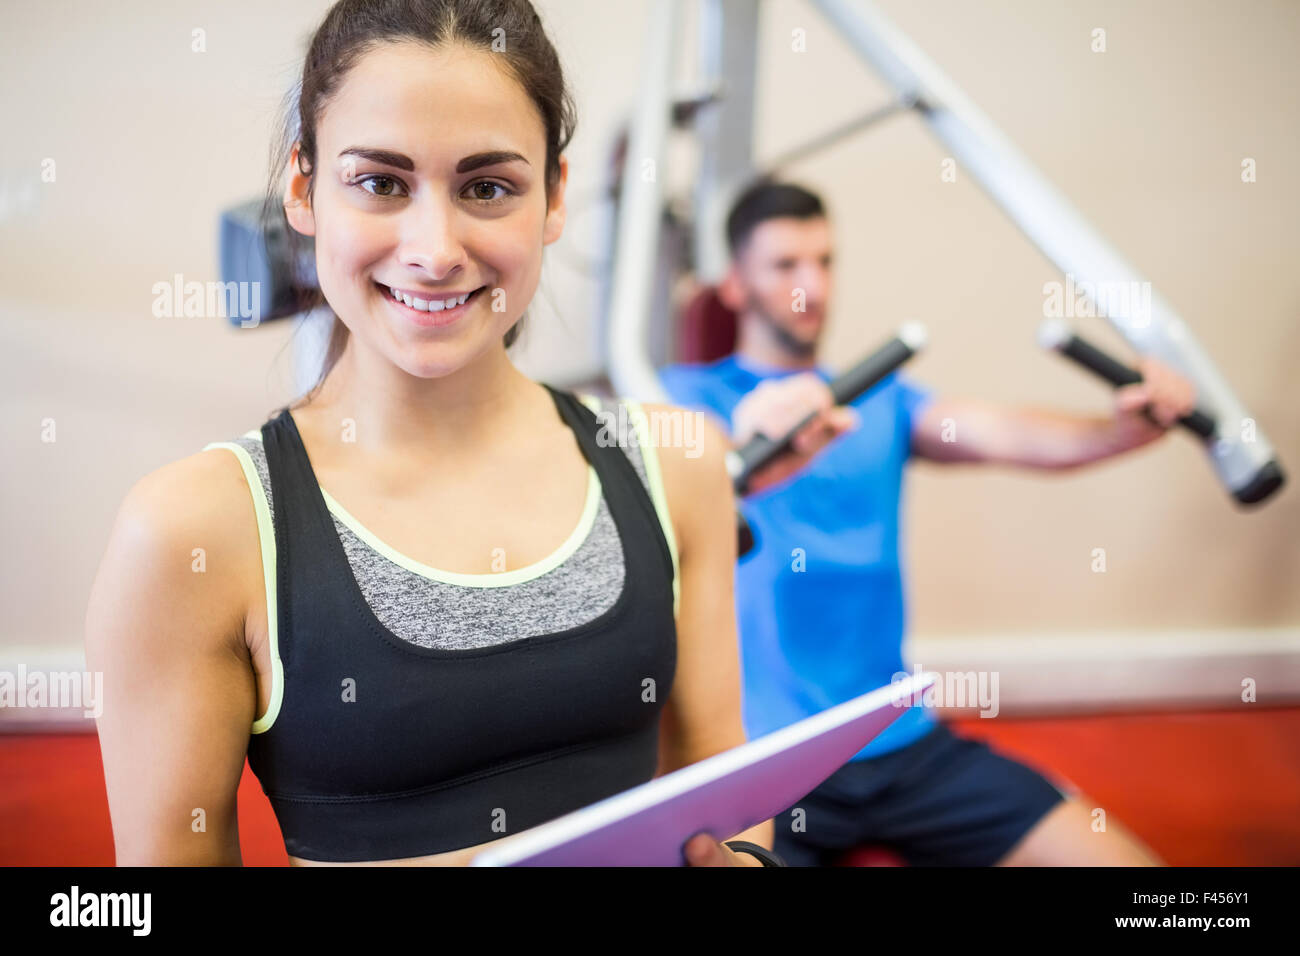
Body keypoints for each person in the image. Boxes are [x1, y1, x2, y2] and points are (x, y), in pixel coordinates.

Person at [84, 0, 788, 867]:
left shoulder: (672, 463)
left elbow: (720, 785)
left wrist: (747, 863)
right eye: (381, 183)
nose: (434, 249)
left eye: (487, 187)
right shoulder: (194, 531)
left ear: (554, 196)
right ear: (303, 189)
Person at [659, 180, 1196, 866]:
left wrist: (1124, 430)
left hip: (902, 742)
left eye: (824, 262)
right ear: (734, 285)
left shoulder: (882, 402)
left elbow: (1006, 433)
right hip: (771, 762)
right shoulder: (682, 398)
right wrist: (736, 444)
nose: (813, 286)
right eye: (786, 265)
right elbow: (643, 462)